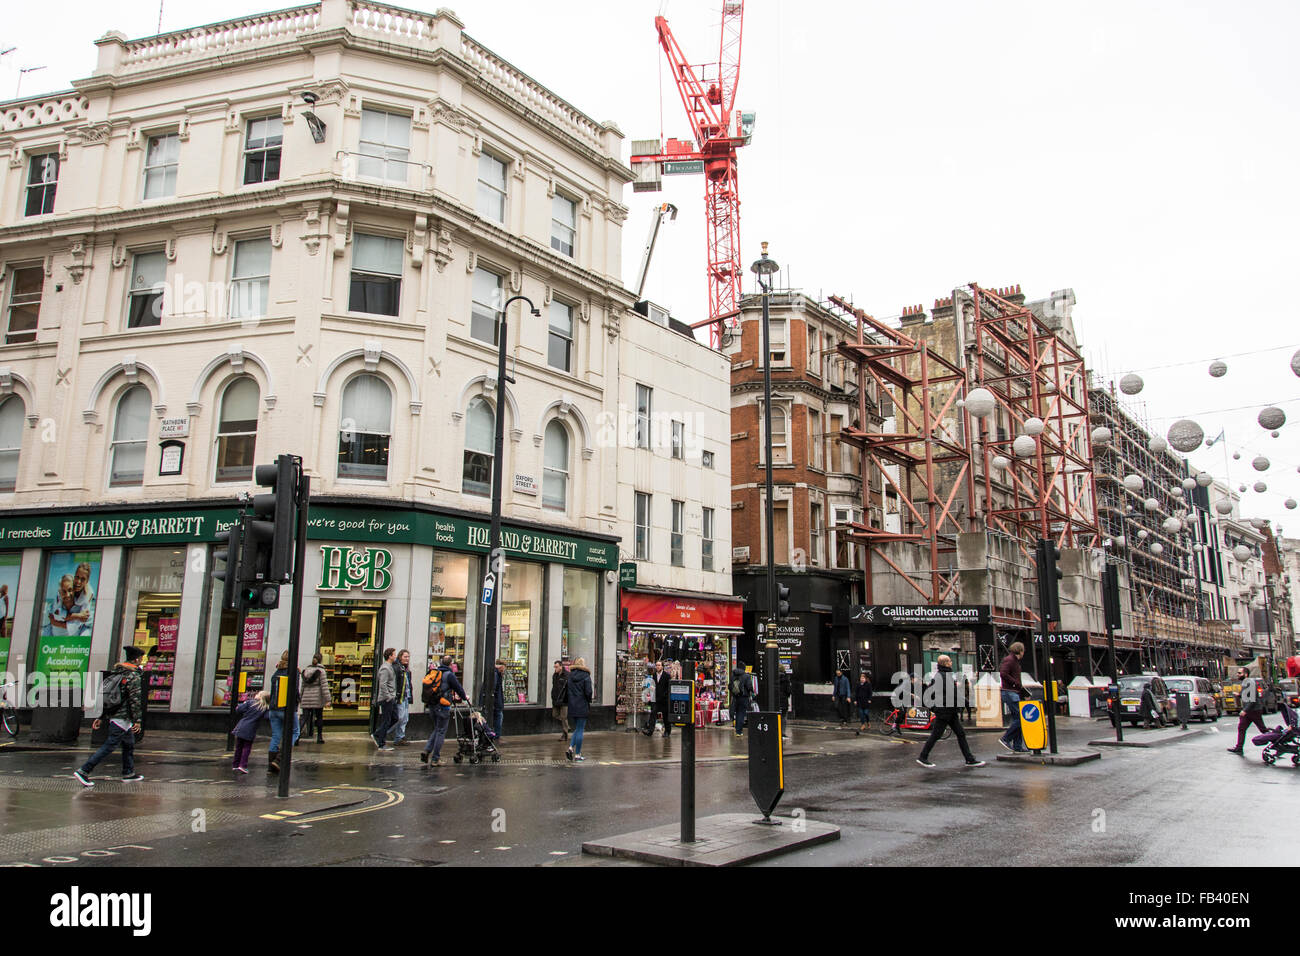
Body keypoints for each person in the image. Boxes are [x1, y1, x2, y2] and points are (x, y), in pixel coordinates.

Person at [74, 645, 146, 786]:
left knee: (129, 744)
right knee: (110, 745)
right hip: (122, 717)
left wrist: (100, 717)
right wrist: (137, 720)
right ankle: (84, 770)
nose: (141, 661)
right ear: (137, 659)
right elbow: (135, 700)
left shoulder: (116, 673)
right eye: (141, 659)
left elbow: (105, 697)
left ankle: (128, 772)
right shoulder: (133, 676)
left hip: (115, 714)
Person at [915, 655, 986, 768]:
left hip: (949, 711)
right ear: (945, 663)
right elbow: (952, 694)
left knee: (960, 733)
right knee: (936, 735)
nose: (951, 662)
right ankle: (923, 757)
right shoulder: (943, 676)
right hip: (944, 711)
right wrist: (967, 703)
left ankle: (969, 759)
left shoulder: (943, 675)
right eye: (950, 661)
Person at [420, 655, 468, 766]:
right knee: (441, 731)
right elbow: (458, 688)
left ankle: (427, 750)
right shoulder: (449, 675)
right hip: (443, 706)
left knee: (437, 728)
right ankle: (435, 759)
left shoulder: (435, 673)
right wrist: (464, 697)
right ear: (451, 664)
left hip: (432, 705)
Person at [267, 651, 301, 772]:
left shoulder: (276, 672)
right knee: (295, 732)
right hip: (287, 708)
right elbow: (295, 689)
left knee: (276, 735)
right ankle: (279, 760)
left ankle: (271, 764)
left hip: (273, 708)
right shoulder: (294, 671)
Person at [998, 642, 1030, 754]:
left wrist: (1021, 692)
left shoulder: (1014, 661)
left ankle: (1017, 746)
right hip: (1009, 692)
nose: (1024, 653)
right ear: (1020, 650)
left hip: (1014, 693)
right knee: (1021, 718)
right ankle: (1006, 738)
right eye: (1023, 651)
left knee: (1018, 718)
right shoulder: (1010, 660)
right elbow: (1003, 673)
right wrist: (1016, 684)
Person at [1228, 667, 1269, 755]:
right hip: (1250, 711)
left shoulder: (1249, 682)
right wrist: (1239, 695)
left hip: (1253, 710)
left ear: (1245, 674)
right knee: (1241, 728)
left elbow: (1252, 698)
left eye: (1239, 673)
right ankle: (1239, 747)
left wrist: (1245, 710)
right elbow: (1247, 696)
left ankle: (1276, 740)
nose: (1237, 674)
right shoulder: (1246, 682)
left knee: (1262, 729)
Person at [231, 690, 270, 773]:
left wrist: (239, 706)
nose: (256, 694)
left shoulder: (250, 702)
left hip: (241, 726)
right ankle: (243, 765)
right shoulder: (264, 708)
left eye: (258, 694)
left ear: (259, 696)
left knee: (239, 747)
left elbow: (239, 709)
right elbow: (267, 717)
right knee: (246, 748)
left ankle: (235, 765)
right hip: (251, 729)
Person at [565, 657, 595, 762]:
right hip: (582, 705)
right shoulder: (586, 676)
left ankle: (570, 748)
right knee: (580, 729)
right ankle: (577, 754)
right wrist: (588, 700)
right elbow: (588, 692)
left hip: (572, 705)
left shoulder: (570, 676)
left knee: (577, 729)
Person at [299, 654, 331, 743]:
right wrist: (328, 699)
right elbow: (324, 687)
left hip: (306, 696)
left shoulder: (306, 670)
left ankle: (296, 736)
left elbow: (302, 686)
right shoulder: (321, 671)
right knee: (319, 717)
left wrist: (301, 697)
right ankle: (319, 737)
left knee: (304, 717)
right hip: (317, 698)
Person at [372, 648, 397, 751]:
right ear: (390, 656)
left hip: (390, 697)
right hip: (386, 699)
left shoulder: (390, 667)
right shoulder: (385, 668)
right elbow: (382, 683)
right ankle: (381, 743)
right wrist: (388, 697)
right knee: (386, 720)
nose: (395, 656)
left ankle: (378, 734)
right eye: (394, 654)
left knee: (395, 718)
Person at [391, 649, 413, 745]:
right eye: (405, 657)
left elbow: (408, 684)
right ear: (400, 657)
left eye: (408, 657)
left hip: (405, 697)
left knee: (404, 718)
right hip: (400, 697)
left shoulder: (406, 669)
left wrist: (410, 696)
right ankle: (381, 733)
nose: (407, 659)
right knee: (399, 717)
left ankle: (400, 737)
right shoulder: (397, 668)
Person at [645, 660, 673, 737]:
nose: (657, 667)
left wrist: (665, 695)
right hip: (656, 699)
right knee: (653, 713)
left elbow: (669, 687)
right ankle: (650, 731)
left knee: (665, 716)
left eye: (659, 665)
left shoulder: (667, 676)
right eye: (656, 665)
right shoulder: (654, 675)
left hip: (664, 699)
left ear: (662, 667)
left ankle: (667, 731)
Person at [731, 663, 754, 736]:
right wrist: (751, 692)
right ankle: (739, 731)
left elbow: (729, 686)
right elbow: (749, 686)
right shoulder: (746, 676)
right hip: (743, 697)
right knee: (741, 713)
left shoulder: (733, 675)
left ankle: (737, 728)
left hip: (735, 697)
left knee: (737, 712)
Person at [550, 659, 570, 740]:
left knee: (564, 717)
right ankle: (567, 726)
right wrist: (553, 696)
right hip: (556, 699)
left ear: (561, 667)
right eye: (554, 667)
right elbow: (554, 687)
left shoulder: (567, 675)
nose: (555, 668)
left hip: (564, 699)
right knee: (555, 714)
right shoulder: (555, 675)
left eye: (557, 667)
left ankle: (565, 734)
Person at [488, 659, 507, 739]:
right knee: (499, 716)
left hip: (495, 701)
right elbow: (494, 688)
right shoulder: (496, 674)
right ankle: (496, 734)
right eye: (504, 668)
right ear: (501, 666)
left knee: (498, 716)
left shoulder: (495, 673)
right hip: (496, 702)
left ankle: (495, 733)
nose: (504, 670)